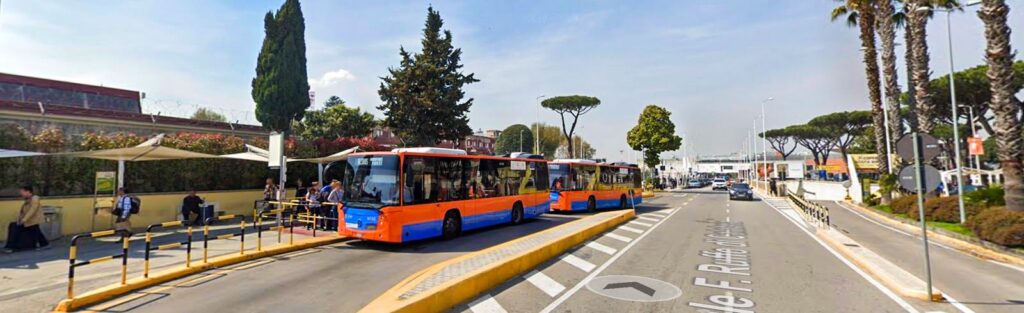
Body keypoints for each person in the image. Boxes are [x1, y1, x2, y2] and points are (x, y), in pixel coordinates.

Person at [4, 186, 49, 253]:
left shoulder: (35, 198)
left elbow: (32, 210)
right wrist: (20, 219)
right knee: (37, 232)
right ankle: (44, 244)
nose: (21, 194)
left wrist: (23, 220)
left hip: (32, 221)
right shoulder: (27, 200)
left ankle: (11, 246)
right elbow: (23, 211)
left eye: (22, 192)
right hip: (30, 221)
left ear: (28, 192)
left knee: (17, 229)